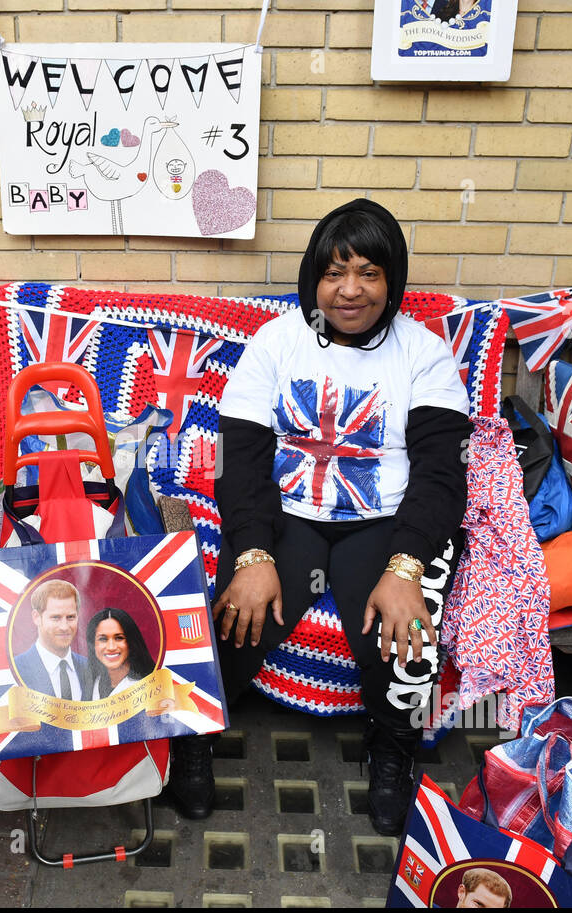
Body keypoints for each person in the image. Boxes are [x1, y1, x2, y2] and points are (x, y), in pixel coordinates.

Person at [167, 199, 469, 832]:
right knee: (236, 614)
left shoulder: (424, 353)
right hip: (289, 515)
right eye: (335, 273)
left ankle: (394, 751)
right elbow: (240, 460)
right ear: (314, 278)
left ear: (393, 281)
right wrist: (252, 553)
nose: (350, 290)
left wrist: (407, 564)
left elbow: (442, 474)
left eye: (368, 272)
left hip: (382, 522)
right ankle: (191, 741)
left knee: (399, 632)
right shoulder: (277, 341)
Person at [12, 579, 92, 701]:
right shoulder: (16, 669)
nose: (64, 627)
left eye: (70, 617)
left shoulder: (91, 669)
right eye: (56, 618)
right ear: (36, 617)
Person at [84, 607, 156, 699]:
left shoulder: (151, 686)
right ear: (93, 644)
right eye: (103, 639)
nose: (111, 647)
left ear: (130, 642)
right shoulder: (88, 685)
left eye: (119, 638)